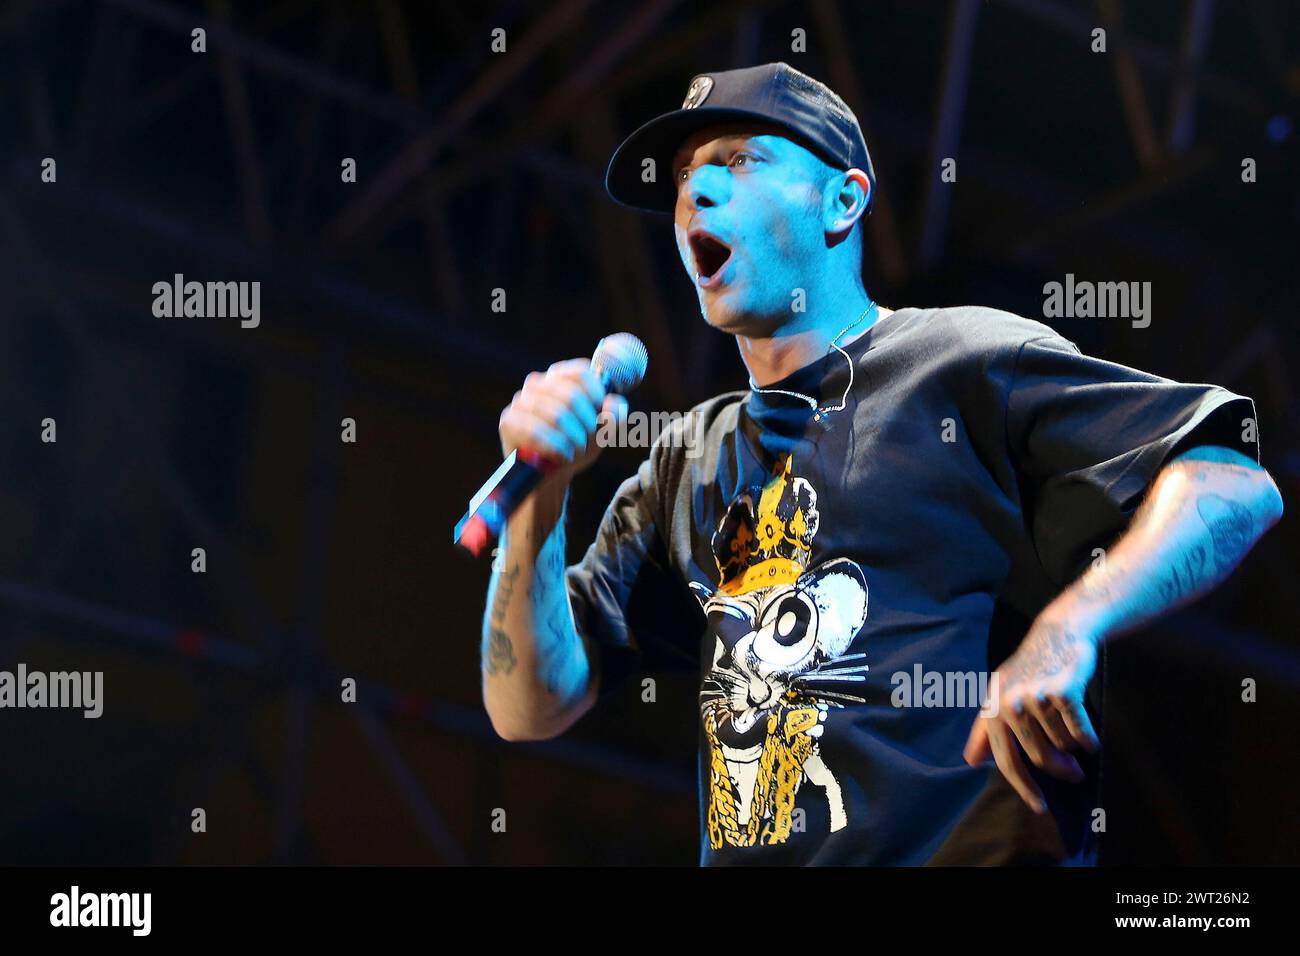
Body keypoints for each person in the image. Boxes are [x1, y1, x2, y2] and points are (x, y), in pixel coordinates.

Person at [479, 62, 1283, 864]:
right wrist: (538, 504)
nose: (695, 190)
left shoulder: (961, 361)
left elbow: (1233, 478)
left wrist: (1069, 627)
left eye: (740, 160)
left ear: (843, 200)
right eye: (687, 173)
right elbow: (531, 707)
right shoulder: (687, 460)